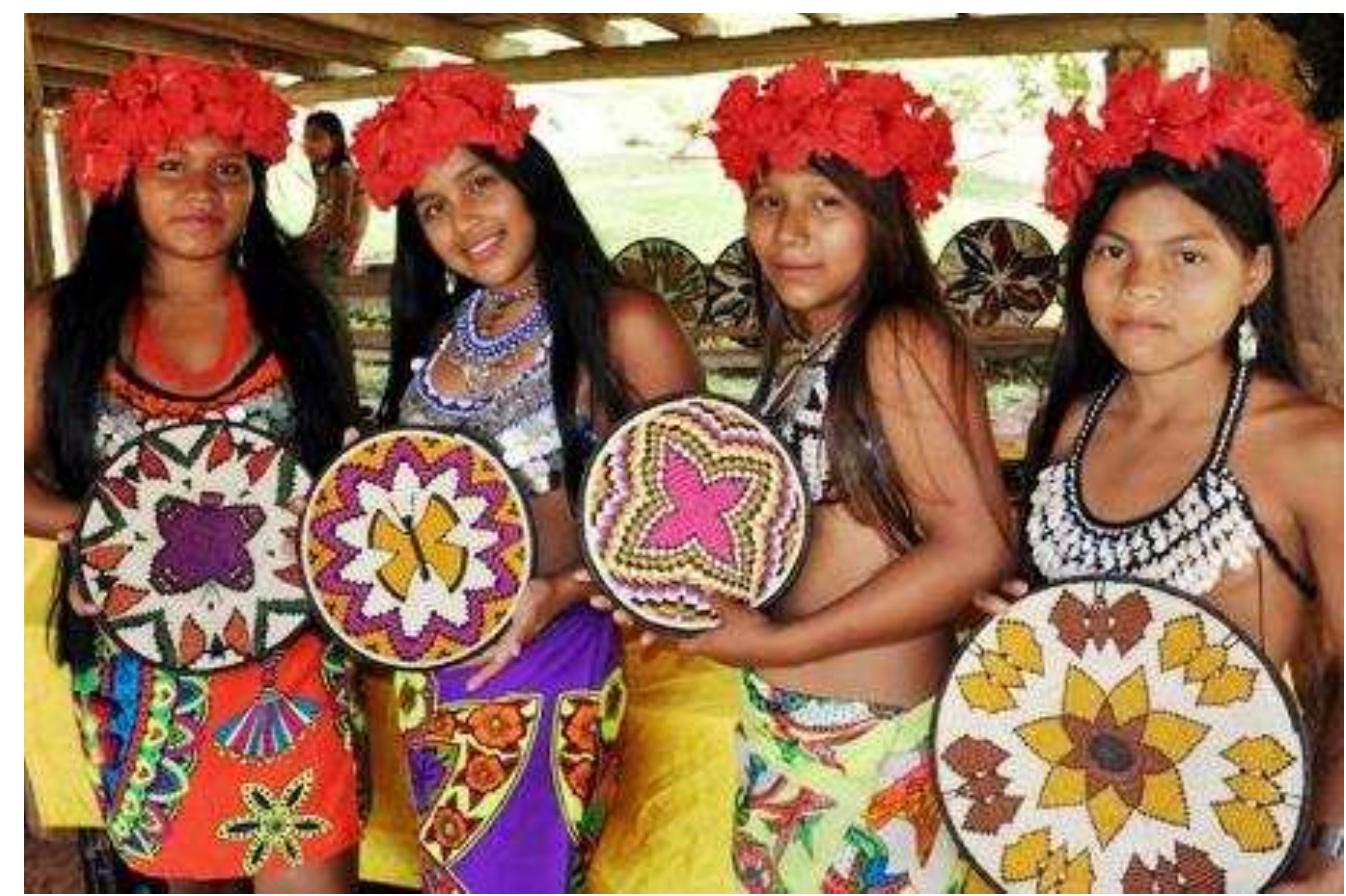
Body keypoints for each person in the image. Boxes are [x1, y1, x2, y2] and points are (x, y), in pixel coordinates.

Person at [644, 58, 1015, 892]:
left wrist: (781, 643)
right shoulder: (815, 348)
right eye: (769, 201)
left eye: (827, 202)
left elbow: (972, 547)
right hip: (793, 733)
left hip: (867, 744)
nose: (790, 231)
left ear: (883, 218)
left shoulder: (894, 338)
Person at [978, 65, 1341, 893]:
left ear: (1253, 273)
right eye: (1114, 250)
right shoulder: (1079, 422)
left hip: (1233, 844)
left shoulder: (1311, 449)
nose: (1141, 285)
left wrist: (1334, 857)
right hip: (1061, 842)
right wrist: (1027, 629)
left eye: (1188, 255)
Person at [351, 63, 701, 893]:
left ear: (530, 181)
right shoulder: (443, 331)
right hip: (432, 671)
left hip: (548, 656)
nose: (460, 220)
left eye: (480, 184)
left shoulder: (622, 322)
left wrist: (567, 589)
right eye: (432, 207)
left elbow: (694, 517)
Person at [23, 56, 363, 892]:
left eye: (227, 169)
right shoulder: (59, 320)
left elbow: (342, 477)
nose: (201, 191)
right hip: (143, 671)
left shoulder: (298, 312)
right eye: (169, 165)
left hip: (293, 670)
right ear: (121, 177)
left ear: (254, 182)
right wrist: (90, 528)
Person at [295, 110, 368, 289]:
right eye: (306, 138)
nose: (308, 144)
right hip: (329, 244)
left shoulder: (342, 170)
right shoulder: (324, 171)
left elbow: (338, 222)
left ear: (334, 141)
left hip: (339, 249)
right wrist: (303, 238)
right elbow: (319, 215)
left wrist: (305, 243)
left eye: (316, 137)